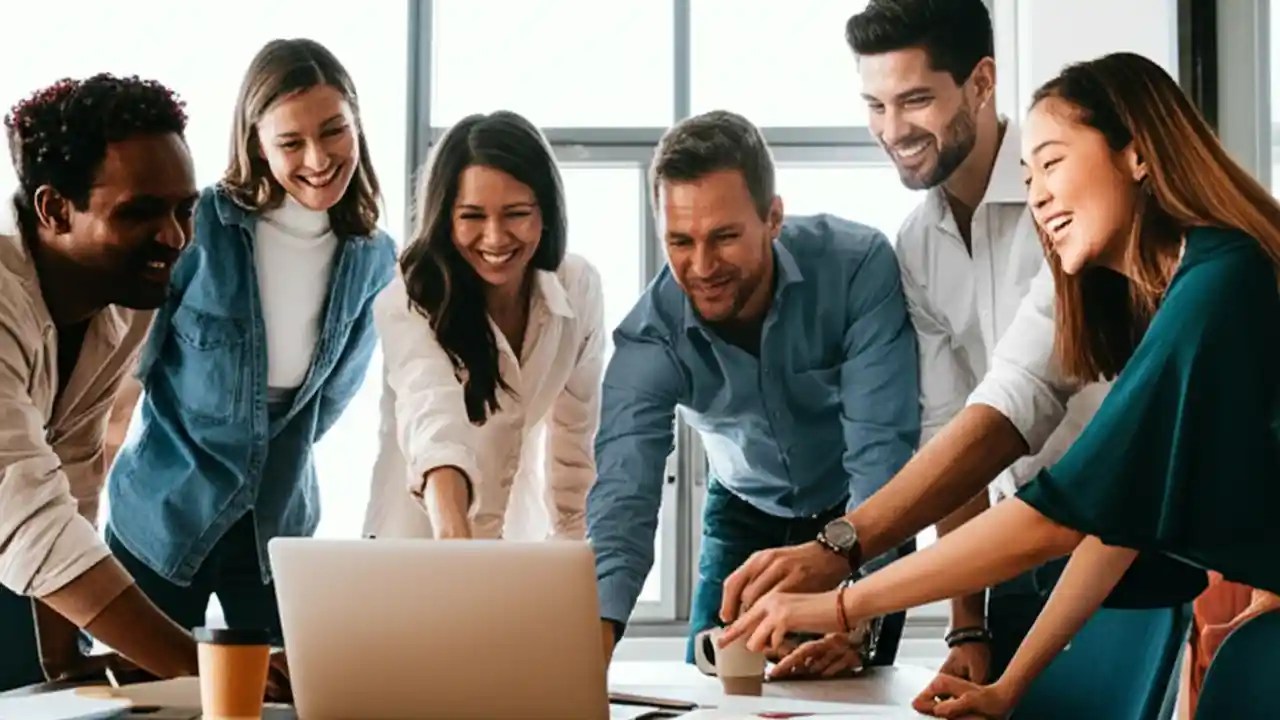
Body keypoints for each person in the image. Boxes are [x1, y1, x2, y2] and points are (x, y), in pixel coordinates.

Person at [718, 52, 1280, 718]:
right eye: (1028, 173)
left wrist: (842, 598)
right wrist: (1010, 685)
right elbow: (1113, 520)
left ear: (1137, 153)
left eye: (1053, 161)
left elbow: (1053, 516)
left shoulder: (1219, 285)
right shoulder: (1182, 291)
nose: (1037, 194)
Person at [839, 0, 1117, 684]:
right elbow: (949, 435)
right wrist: (967, 625)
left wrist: (843, 553)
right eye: (875, 106)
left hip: (1117, 545)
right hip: (1016, 555)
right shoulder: (915, 244)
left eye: (914, 100)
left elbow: (1016, 400)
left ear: (982, 82)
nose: (892, 130)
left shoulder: (1067, 199)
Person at [587, 109, 921, 671]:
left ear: (773, 218)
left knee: (847, 687)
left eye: (724, 237)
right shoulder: (651, 337)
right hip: (743, 507)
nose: (701, 265)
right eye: (679, 240)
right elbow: (624, 499)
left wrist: (855, 619)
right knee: (713, 686)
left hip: (858, 506)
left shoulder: (857, 266)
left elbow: (881, 454)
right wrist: (584, 661)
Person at [105, 38, 395, 643]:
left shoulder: (373, 258)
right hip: (163, 516)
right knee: (147, 698)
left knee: (288, 693)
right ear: (257, 144)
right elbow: (127, 378)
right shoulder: (199, 226)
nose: (318, 158)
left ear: (357, 126)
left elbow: (328, 402)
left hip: (276, 534)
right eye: (291, 141)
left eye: (334, 131)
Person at [0, 73, 203, 691]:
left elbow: (73, 465)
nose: (174, 236)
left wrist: (63, 662)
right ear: (55, 209)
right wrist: (204, 668)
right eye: (141, 212)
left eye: (183, 209)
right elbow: (23, 507)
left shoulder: (128, 299)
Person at [363, 110, 605, 542]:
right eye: (472, 216)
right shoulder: (412, 295)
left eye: (516, 213)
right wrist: (454, 536)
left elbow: (574, 453)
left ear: (545, 213)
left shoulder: (578, 290)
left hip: (515, 533)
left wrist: (580, 567)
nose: (495, 238)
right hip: (421, 536)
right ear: (445, 218)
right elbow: (430, 410)